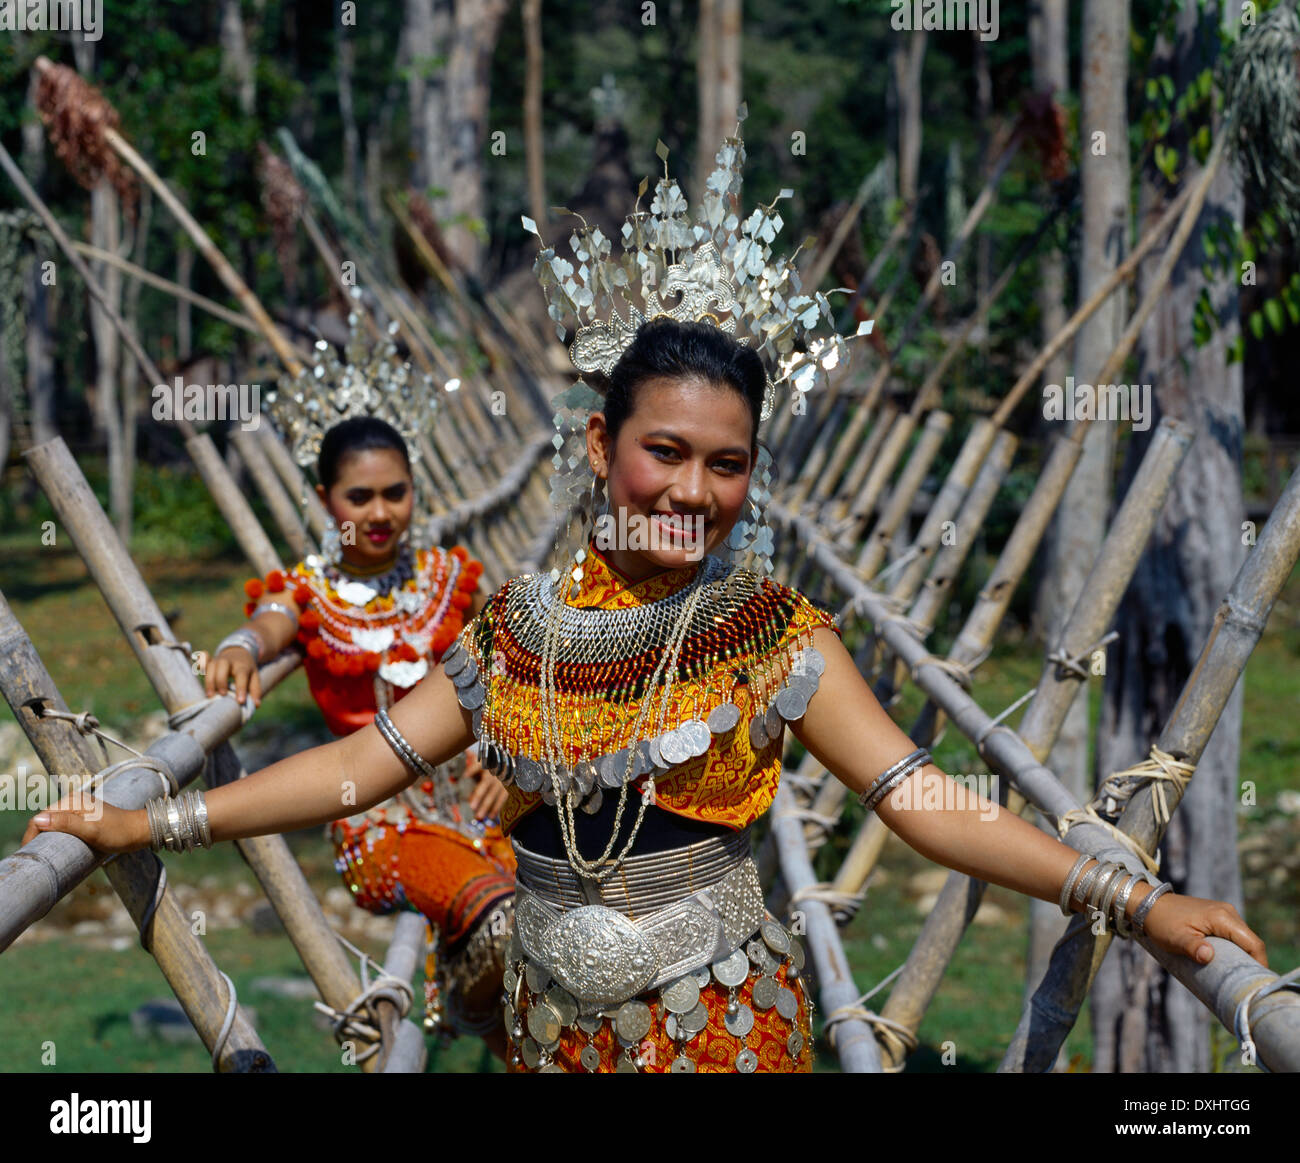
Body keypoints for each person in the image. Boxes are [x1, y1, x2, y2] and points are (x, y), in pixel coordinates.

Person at [25, 319, 1267, 1073]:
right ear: (600, 449)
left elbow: (920, 798)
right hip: (549, 1029)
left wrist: (1135, 899)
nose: (693, 487)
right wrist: (150, 824)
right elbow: (363, 767)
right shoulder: (517, 629)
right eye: (663, 450)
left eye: (726, 463)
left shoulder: (766, 631)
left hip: (721, 1025)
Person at [201, 415, 516, 1052]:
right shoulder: (309, 592)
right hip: (378, 825)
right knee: (503, 921)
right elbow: (266, 623)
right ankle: (473, 1010)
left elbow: (512, 674)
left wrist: (500, 753)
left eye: (394, 493)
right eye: (359, 496)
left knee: (575, 937)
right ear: (325, 500)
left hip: (485, 808)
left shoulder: (451, 581)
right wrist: (239, 646)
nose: (380, 512)